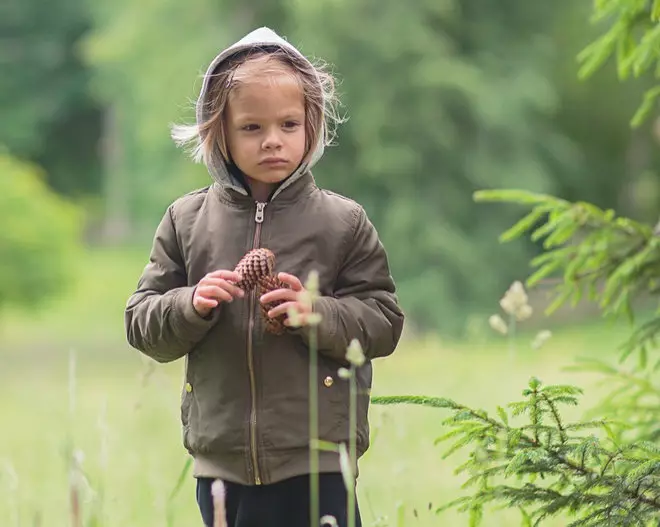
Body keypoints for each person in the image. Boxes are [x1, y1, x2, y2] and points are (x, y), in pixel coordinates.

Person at [124, 26, 405, 527]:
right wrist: (189, 304)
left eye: (289, 124)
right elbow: (142, 322)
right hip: (221, 463)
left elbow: (384, 320)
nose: (273, 140)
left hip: (319, 457)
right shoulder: (186, 221)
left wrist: (317, 314)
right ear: (220, 132)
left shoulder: (343, 223)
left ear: (310, 126)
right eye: (252, 128)